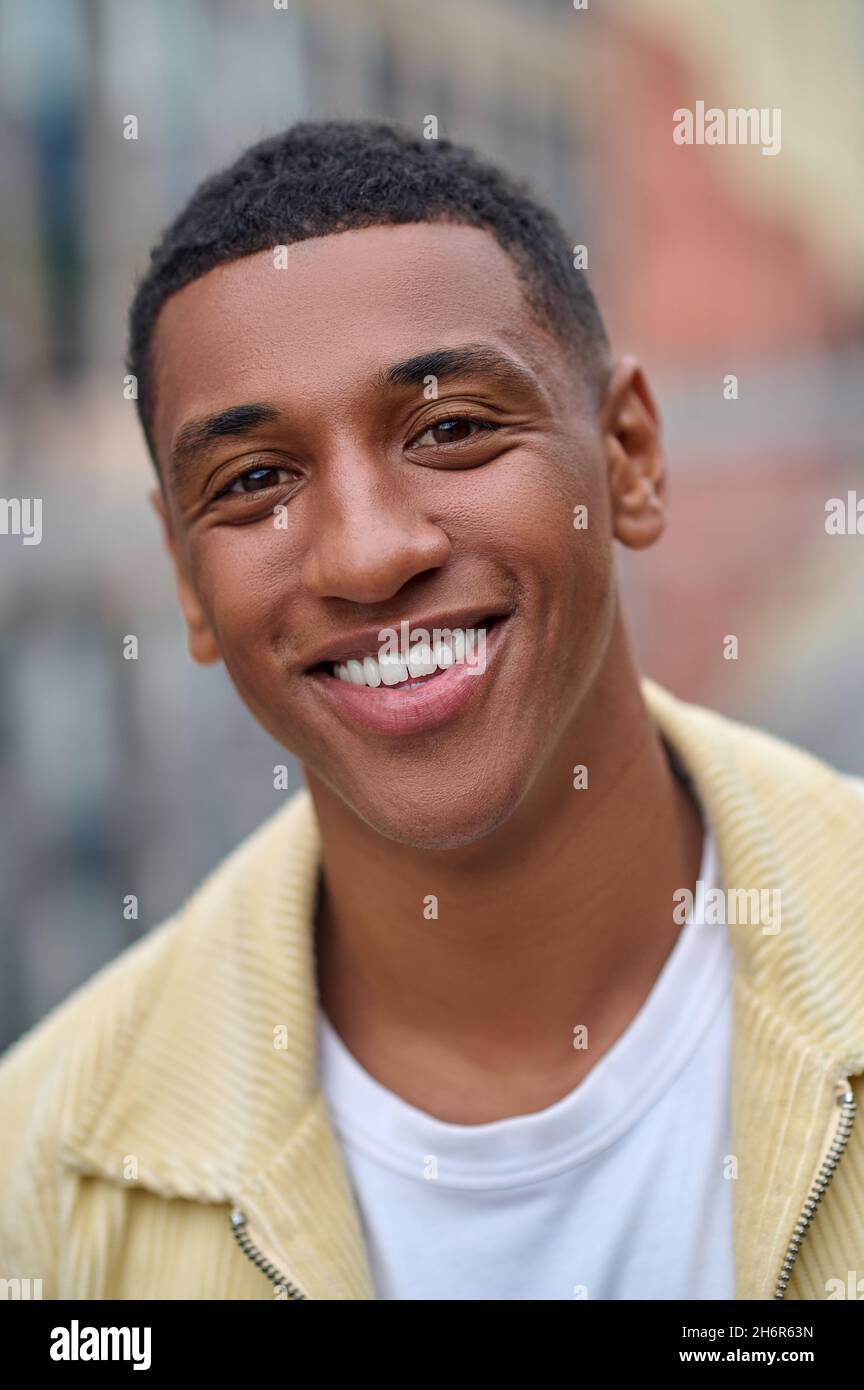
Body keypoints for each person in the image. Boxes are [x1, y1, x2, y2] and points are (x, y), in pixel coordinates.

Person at [1, 120, 862, 1302]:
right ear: (186, 577)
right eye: (254, 482)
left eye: (451, 429)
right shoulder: (40, 1188)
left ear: (629, 458)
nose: (365, 555)